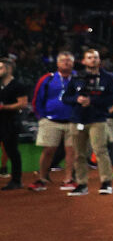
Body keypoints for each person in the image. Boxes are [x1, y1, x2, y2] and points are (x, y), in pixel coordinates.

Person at [63, 48, 113, 196]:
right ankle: (82, 184)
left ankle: (106, 183)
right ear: (84, 61)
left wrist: (92, 101)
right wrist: (77, 99)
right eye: (90, 58)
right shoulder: (76, 77)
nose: (93, 60)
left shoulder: (109, 78)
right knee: (79, 154)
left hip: (98, 119)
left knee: (100, 151)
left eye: (95, 57)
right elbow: (65, 97)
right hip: (78, 120)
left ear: (99, 60)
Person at [29, 50, 76, 191]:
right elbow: (37, 99)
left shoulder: (79, 79)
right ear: (57, 63)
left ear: (73, 63)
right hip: (50, 120)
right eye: (63, 60)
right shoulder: (47, 79)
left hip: (73, 120)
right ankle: (42, 178)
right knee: (48, 151)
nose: (66, 63)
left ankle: (68, 179)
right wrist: (41, 118)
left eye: (68, 60)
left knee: (71, 151)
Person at [0, 58, 28, 189]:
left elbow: (23, 104)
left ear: (9, 69)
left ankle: (16, 180)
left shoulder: (17, 85)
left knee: (11, 151)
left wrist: (4, 107)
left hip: (10, 122)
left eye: (1, 68)